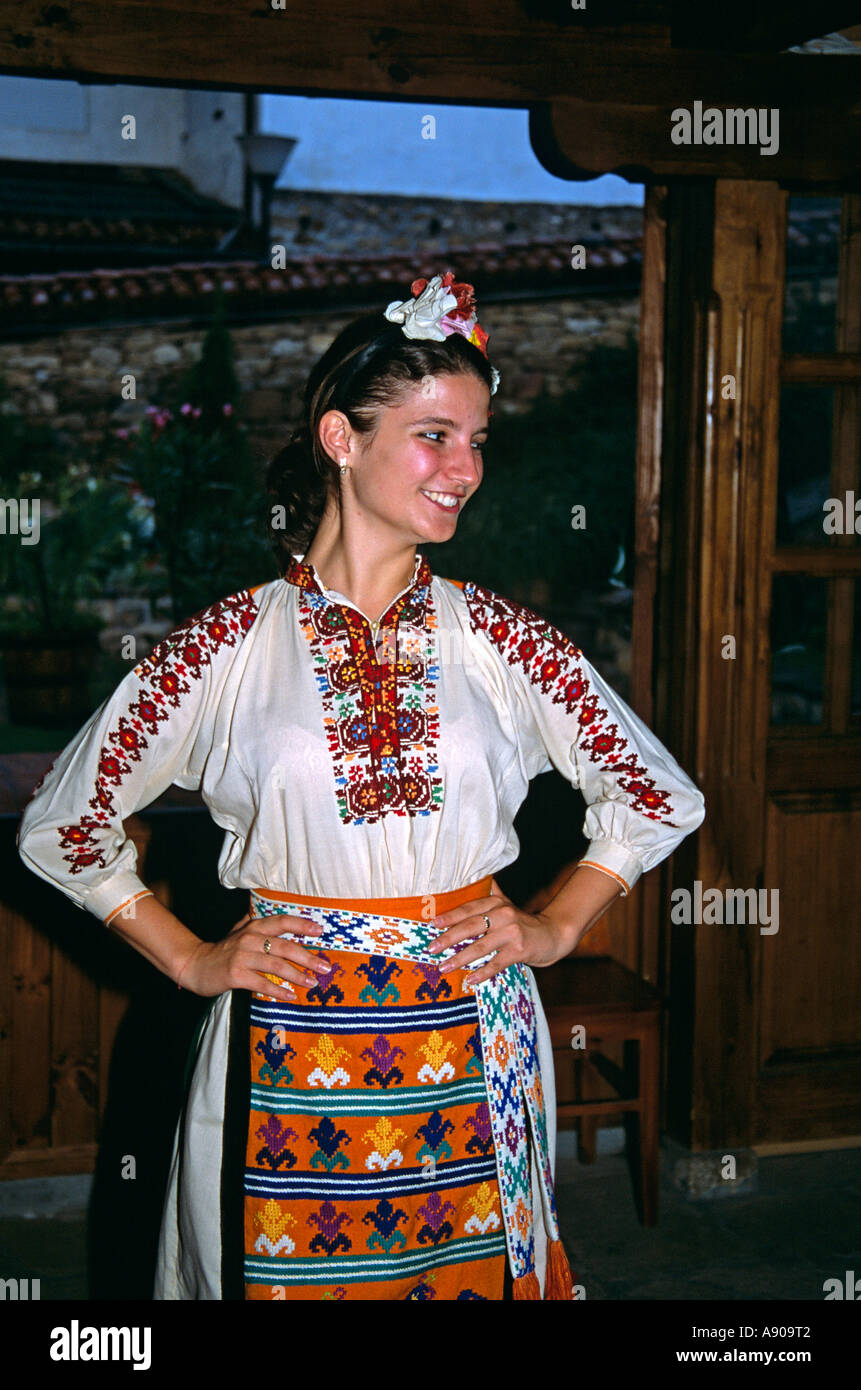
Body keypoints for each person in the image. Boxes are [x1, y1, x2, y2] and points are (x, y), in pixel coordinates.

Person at [17, 270, 706, 1301]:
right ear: (342, 438)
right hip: (287, 1038)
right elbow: (64, 824)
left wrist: (559, 924)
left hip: (473, 1036)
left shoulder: (505, 642)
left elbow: (657, 794)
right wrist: (196, 958)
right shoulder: (225, 648)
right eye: (435, 435)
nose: (464, 467)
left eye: (478, 441)